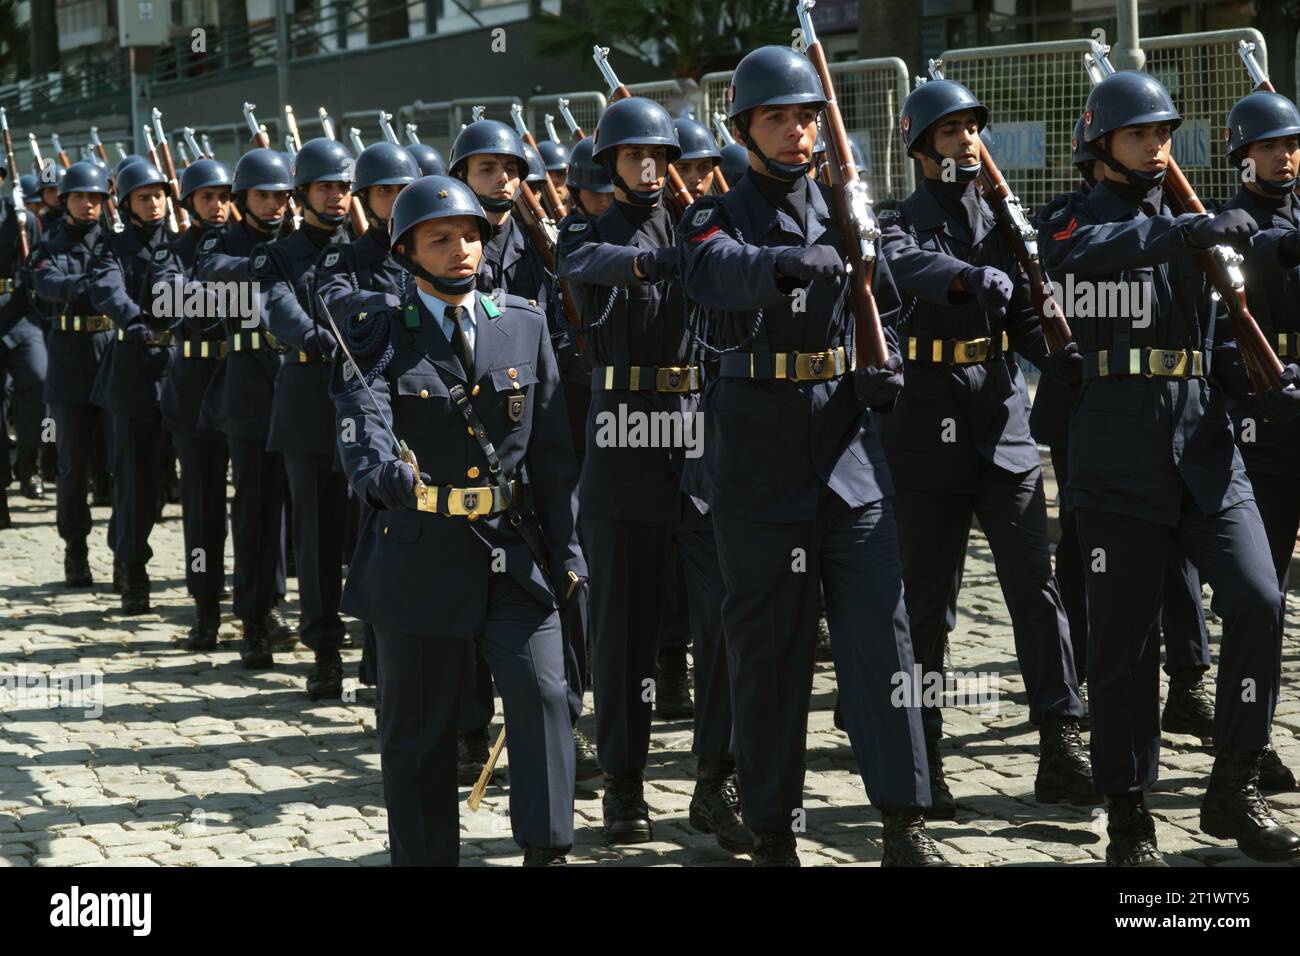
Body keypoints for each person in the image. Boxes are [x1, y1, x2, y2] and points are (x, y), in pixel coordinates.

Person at [678, 45, 947, 866]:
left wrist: (884, 358)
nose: (796, 132)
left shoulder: (850, 202)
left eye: (806, 116)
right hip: (758, 457)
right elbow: (714, 273)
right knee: (769, 651)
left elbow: (890, 294)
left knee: (882, 639)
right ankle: (771, 827)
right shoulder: (716, 212)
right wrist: (787, 261)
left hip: (849, 455)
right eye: (777, 118)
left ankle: (904, 820)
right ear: (743, 129)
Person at [1040, 69, 1300, 865]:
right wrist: (1183, 234)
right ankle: (1128, 814)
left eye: (1163, 134)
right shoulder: (1071, 218)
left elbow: (1216, 330)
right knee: (1124, 647)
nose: (1156, 147)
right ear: (1100, 145)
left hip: (1205, 447)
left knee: (1259, 600)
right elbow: (1077, 261)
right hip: (1116, 456)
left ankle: (1233, 780)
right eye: (1138, 135)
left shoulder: (1193, 221)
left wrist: (1252, 371)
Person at [330, 174, 585, 866]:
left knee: (543, 696)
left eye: (471, 235)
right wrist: (383, 475)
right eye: (441, 239)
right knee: (418, 734)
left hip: (512, 551)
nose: (462, 250)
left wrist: (569, 552)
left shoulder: (523, 324)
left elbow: (555, 457)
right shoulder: (375, 333)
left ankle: (548, 849)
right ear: (406, 248)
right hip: (420, 550)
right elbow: (363, 423)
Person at [878, 77, 1093, 817]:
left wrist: (1059, 353)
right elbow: (905, 270)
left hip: (1000, 421)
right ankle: (924, 752)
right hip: (925, 425)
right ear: (921, 146)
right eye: (950, 131)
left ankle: (1060, 740)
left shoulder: (1007, 220)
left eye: (973, 128)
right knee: (927, 603)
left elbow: (1027, 317)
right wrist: (970, 276)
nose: (966, 141)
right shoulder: (895, 221)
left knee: (1037, 588)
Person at [557, 96, 750, 852]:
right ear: (609, 164)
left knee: (726, 615)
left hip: (697, 436)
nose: (647, 167)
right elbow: (591, 264)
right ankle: (624, 784)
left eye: (658, 156)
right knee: (622, 633)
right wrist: (667, 259)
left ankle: (716, 779)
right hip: (621, 435)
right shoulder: (585, 225)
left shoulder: (703, 221)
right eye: (633, 156)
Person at [1215, 88, 1300, 792]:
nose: (1284, 155)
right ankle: (1250, 739)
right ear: (1244, 154)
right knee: (1262, 595)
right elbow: (1264, 249)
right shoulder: (1230, 220)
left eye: (1292, 143)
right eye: (1270, 145)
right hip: (1266, 416)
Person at [317, 140, 420, 699]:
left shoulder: (430, 247)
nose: (396, 199)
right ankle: (379, 668)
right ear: (367, 198)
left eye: (405, 189)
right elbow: (339, 309)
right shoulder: (345, 258)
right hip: (380, 413)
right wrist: (410, 310)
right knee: (380, 541)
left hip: (434, 410)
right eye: (385, 191)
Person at [250, 137, 353, 686]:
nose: (336, 197)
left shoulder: (365, 244)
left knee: (371, 531)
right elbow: (279, 312)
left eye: (342, 186)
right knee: (314, 537)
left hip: (368, 403)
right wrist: (325, 337)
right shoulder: (277, 256)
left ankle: (381, 647)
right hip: (309, 401)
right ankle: (324, 650)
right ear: (302, 195)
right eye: (325, 187)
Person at [194, 147, 294, 663]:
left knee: (288, 508)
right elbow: (211, 279)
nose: (275, 204)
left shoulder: (300, 241)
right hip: (249, 386)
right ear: (243, 200)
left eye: (281, 195)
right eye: (264, 195)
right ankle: (252, 618)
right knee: (253, 507)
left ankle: (277, 602)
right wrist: (265, 262)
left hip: (297, 382)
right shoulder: (221, 242)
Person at [151, 158, 235, 647]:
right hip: (195, 385)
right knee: (202, 507)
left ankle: (261, 604)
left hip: (247, 383)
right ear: (189, 204)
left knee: (259, 508)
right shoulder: (173, 251)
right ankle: (206, 608)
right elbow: (168, 301)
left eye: (225, 196)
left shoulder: (255, 246)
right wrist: (238, 291)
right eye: (208, 197)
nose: (218, 205)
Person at [88, 160, 178, 614]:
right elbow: (106, 288)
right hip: (131, 374)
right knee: (133, 480)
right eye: (144, 197)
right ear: (126, 203)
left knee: (166, 483)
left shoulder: (181, 245)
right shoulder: (112, 246)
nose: (154, 203)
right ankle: (133, 569)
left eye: (159, 194)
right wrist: (135, 320)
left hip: (178, 373)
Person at [29, 162, 114, 587]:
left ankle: (126, 554)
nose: (88, 204)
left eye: (96, 197)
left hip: (113, 357)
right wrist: (96, 287)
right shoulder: (47, 246)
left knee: (123, 463)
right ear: (64, 201)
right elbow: (50, 286)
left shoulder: (117, 243)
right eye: (80, 196)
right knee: (72, 465)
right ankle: (75, 551)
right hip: (69, 359)